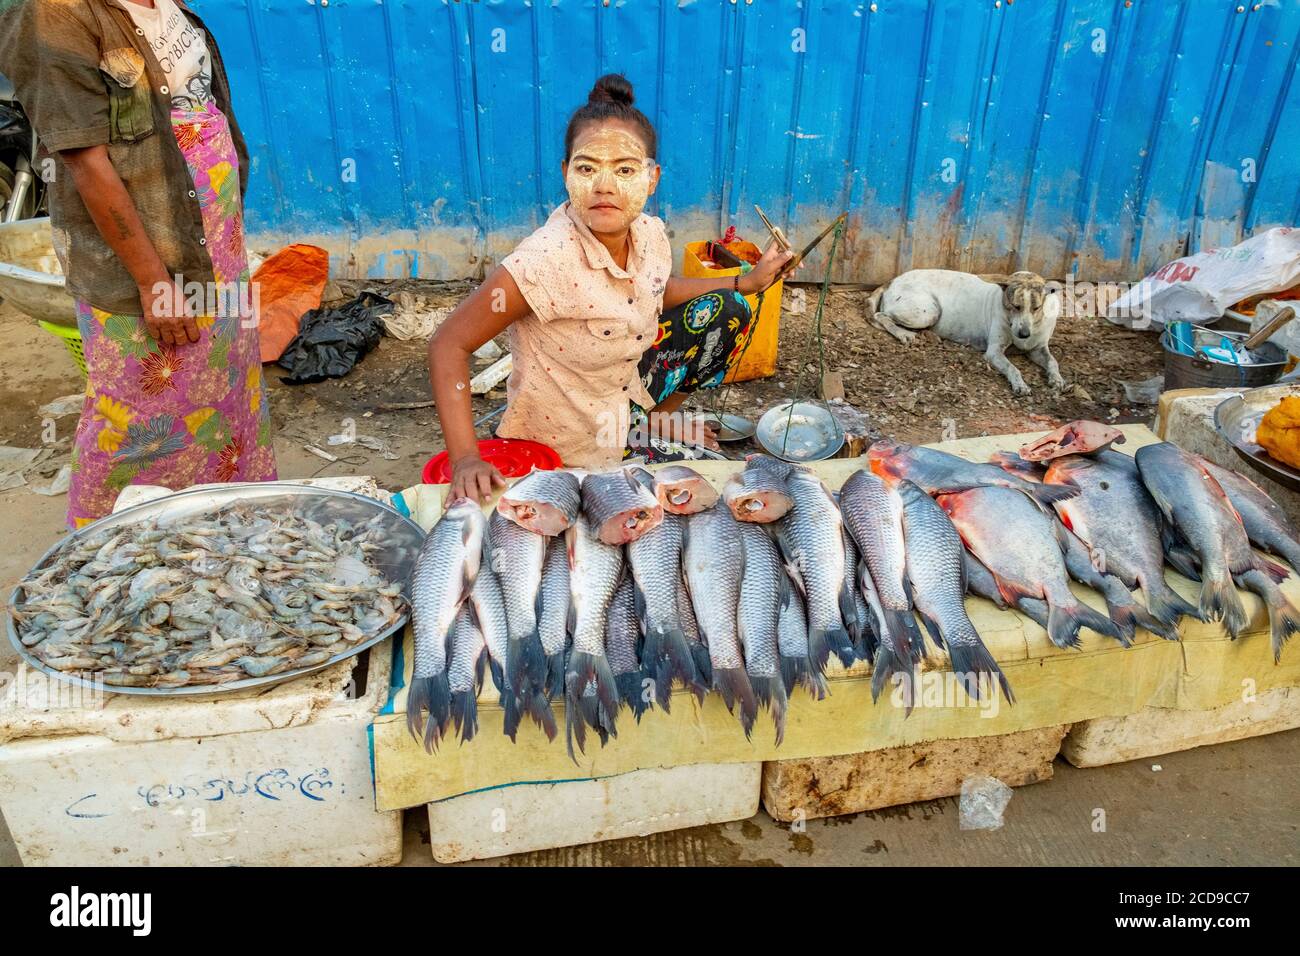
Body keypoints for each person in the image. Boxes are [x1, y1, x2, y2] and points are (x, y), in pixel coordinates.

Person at [428, 73, 793, 502]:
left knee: (732, 310)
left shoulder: (649, 234)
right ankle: (634, 441)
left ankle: (652, 420)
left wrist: (745, 282)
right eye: (587, 169)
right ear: (566, 174)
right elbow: (448, 344)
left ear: (652, 178)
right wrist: (465, 458)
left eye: (625, 170)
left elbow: (656, 289)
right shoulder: (544, 260)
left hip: (623, 398)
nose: (605, 185)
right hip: (563, 440)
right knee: (704, 488)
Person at [0, 0, 276, 527]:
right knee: (140, 418)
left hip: (214, 250)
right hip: (148, 261)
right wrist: (155, 284)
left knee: (227, 397)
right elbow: (85, 160)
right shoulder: (52, 14)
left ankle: (225, 528)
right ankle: (114, 546)